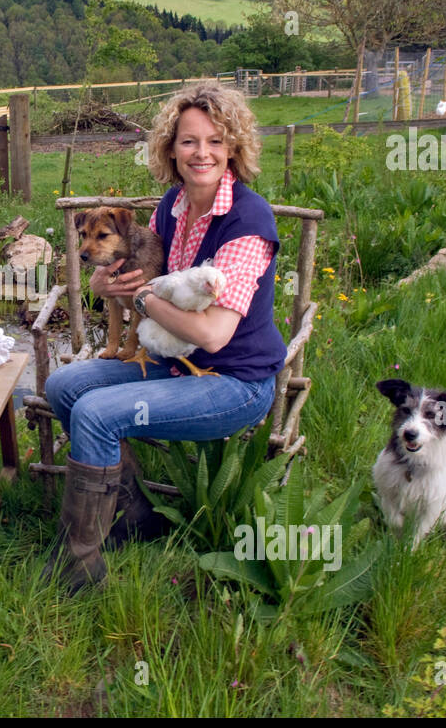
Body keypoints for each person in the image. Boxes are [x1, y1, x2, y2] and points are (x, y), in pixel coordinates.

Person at [43, 81, 287, 592]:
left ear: (234, 148)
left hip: (232, 380)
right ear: (170, 149)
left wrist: (142, 300)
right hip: (172, 359)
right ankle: (135, 512)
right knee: (65, 387)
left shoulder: (248, 221)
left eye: (216, 141)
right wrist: (105, 280)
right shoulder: (173, 207)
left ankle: (79, 566)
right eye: (189, 141)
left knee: (95, 412)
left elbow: (214, 334)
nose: (202, 153)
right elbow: (122, 273)